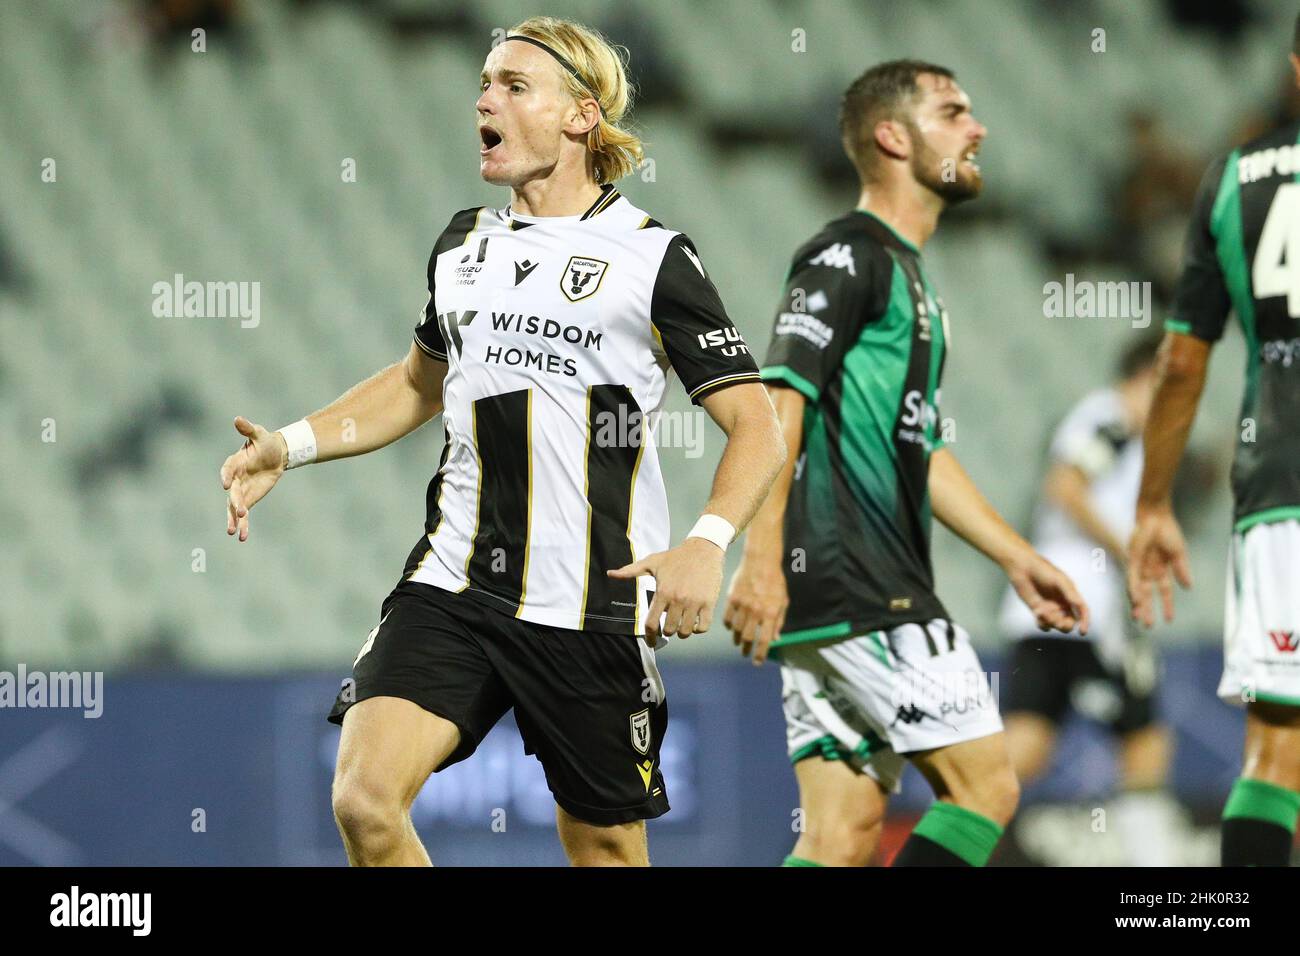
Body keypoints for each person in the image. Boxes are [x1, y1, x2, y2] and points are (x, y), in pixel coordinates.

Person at [219, 16, 783, 866]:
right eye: (483, 83)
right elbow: (417, 381)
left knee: (605, 851)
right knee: (365, 802)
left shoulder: (652, 258)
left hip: (591, 601)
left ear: (580, 116)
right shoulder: (463, 245)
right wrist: (288, 445)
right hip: (455, 584)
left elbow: (758, 422)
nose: (485, 100)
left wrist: (708, 545)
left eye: (514, 85)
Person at [724, 60, 1088, 867]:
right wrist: (758, 560)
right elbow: (776, 403)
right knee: (986, 789)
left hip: (836, 590)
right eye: (954, 111)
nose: (977, 127)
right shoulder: (845, 256)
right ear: (894, 136)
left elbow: (917, 445)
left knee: (841, 836)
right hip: (862, 582)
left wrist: (1016, 556)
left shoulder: (910, 275)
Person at [1128, 13, 1300, 870]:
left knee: (1275, 753)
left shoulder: (1236, 180)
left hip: (1279, 495)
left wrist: (1153, 502)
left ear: (1296, 69)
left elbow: (1183, 362)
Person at [999, 335, 1183, 866]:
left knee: (1026, 748)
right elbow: (1065, 486)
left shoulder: (1113, 426)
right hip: (1084, 612)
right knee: (1146, 742)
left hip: (1046, 610)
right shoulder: (1114, 420)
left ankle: (942, 843)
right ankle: (1160, 884)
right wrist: (1130, 550)